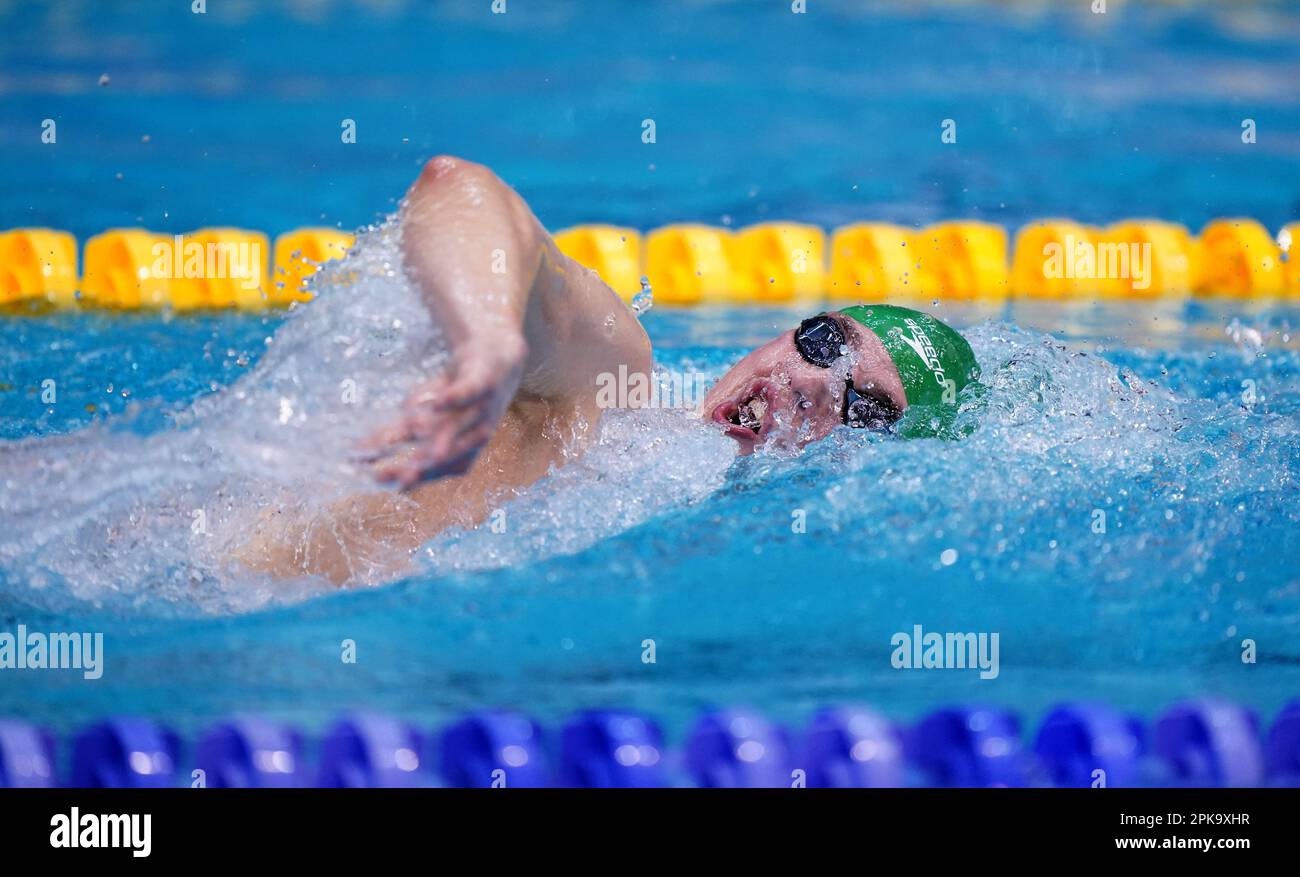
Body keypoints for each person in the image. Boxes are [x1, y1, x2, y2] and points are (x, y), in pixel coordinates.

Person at [235, 156, 979, 584]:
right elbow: (456, 185)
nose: (816, 382)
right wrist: (490, 340)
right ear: (783, 333)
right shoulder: (604, 388)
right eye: (822, 342)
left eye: (867, 409)